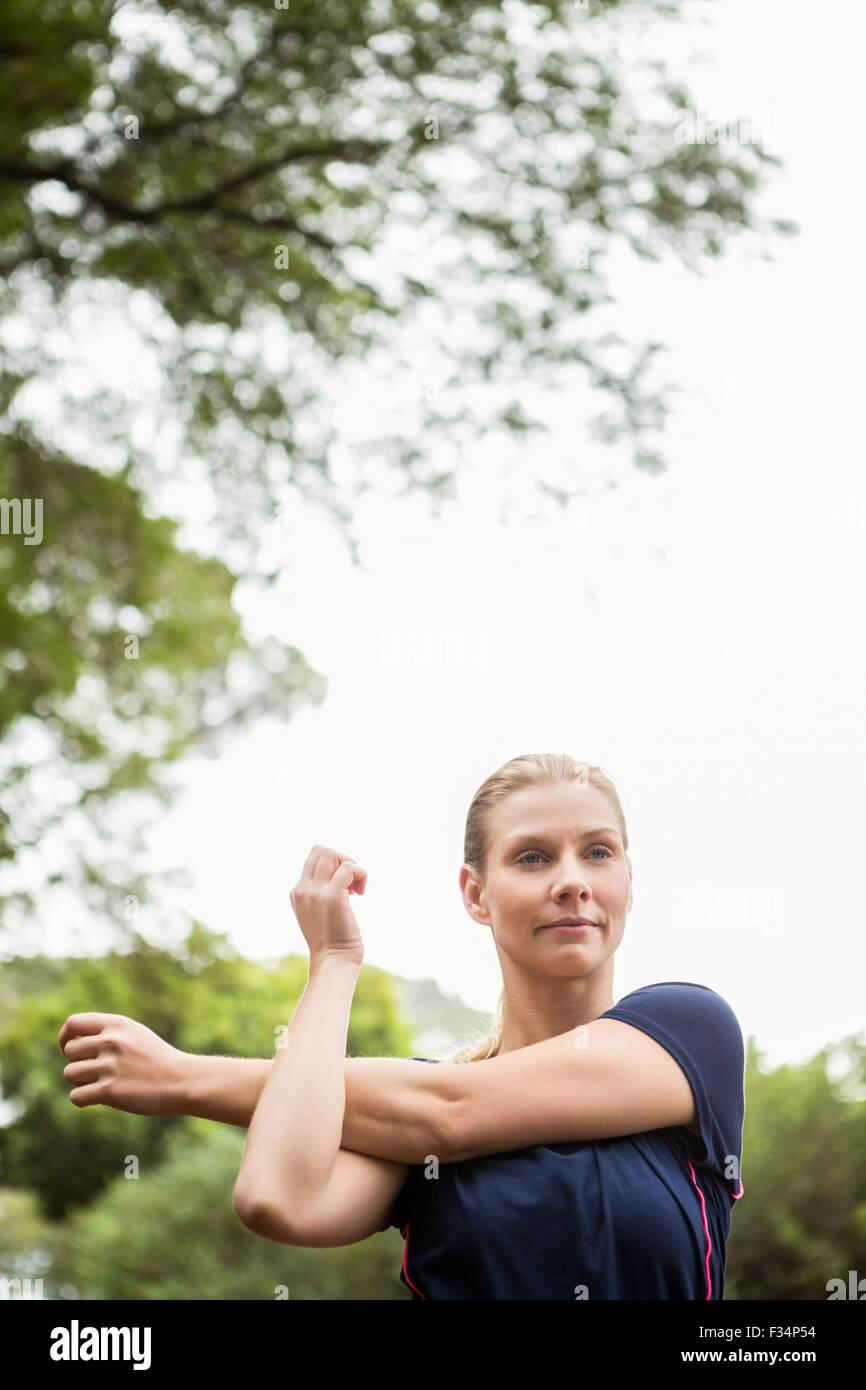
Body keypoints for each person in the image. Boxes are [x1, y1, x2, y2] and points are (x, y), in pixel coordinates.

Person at [58, 752, 745, 1300]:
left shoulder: (690, 1031)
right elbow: (278, 1197)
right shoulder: (405, 1119)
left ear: (628, 877)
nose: (571, 880)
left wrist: (181, 1076)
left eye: (597, 852)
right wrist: (332, 961)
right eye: (533, 857)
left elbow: (449, 1112)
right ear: (475, 894)